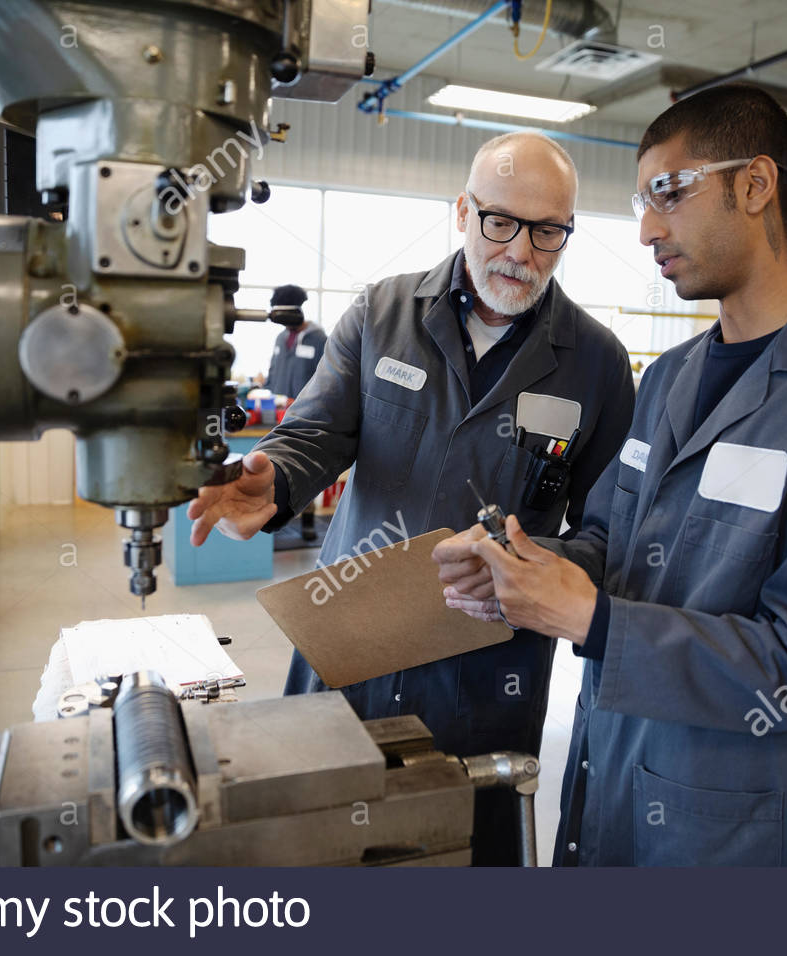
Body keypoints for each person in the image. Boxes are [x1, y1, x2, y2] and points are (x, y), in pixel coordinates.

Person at [432, 85, 787, 866]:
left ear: (757, 184)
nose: (645, 228)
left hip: (736, 834)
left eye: (668, 192)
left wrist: (597, 623)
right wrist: (525, 569)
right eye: (641, 200)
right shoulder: (668, 378)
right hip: (612, 787)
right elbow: (610, 541)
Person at [187, 131, 636, 865]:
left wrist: (529, 565)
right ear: (461, 210)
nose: (521, 252)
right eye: (500, 221)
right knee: (320, 846)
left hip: (488, 675)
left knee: (459, 865)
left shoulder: (597, 365)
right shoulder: (382, 313)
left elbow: (610, 532)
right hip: (350, 640)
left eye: (548, 231)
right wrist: (272, 478)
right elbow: (315, 432)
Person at [261, 285, 326, 540]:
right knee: (275, 464)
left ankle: (308, 520)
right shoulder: (280, 339)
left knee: (303, 468)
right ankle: (275, 515)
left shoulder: (319, 339)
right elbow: (274, 369)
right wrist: (265, 390)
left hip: (305, 415)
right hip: (275, 413)